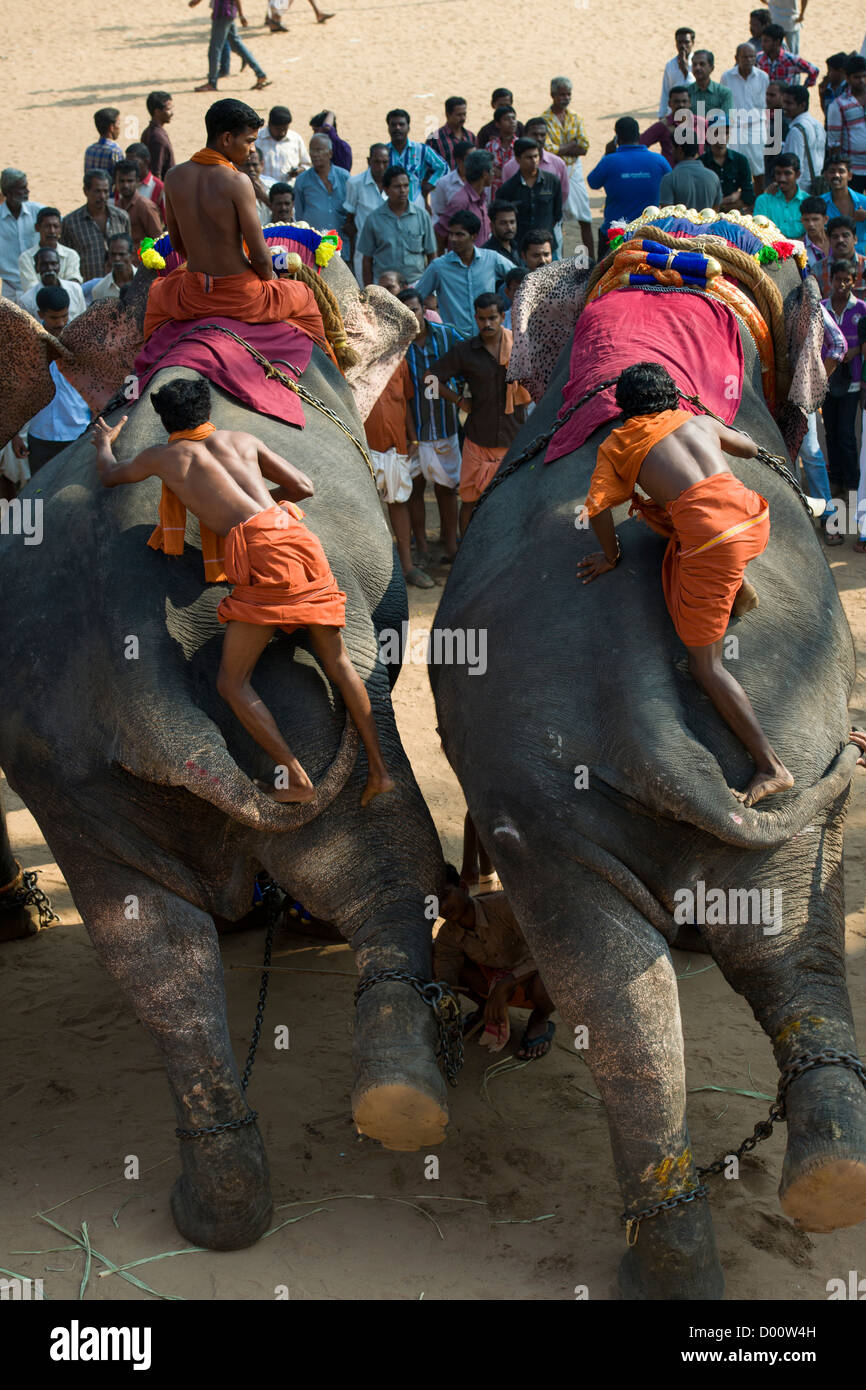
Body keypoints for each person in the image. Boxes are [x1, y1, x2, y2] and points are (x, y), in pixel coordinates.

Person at [92, 379, 393, 807]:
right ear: (206, 410)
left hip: (261, 557)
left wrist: (105, 441)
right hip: (298, 536)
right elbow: (303, 486)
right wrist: (259, 510)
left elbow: (108, 476)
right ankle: (381, 772)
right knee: (340, 663)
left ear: (164, 420)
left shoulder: (165, 456)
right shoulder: (243, 440)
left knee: (232, 683)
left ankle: (295, 778)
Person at [577, 361, 791, 808]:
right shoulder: (696, 419)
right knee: (674, 522)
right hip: (754, 519)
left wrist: (611, 556)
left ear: (624, 407)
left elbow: (597, 509)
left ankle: (771, 767)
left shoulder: (618, 442)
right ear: (671, 395)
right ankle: (734, 584)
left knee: (705, 667)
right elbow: (749, 449)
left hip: (715, 542)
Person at [142, 99, 328, 348]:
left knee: (156, 296)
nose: (252, 150)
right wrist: (271, 279)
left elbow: (177, 244)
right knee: (305, 296)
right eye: (249, 141)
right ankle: (328, 371)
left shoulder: (173, 177)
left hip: (192, 295)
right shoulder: (237, 182)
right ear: (227, 139)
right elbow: (261, 260)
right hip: (242, 296)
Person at [427, 291, 530, 529]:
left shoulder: (519, 346)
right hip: (477, 441)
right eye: (482, 319)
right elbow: (430, 378)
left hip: (513, 439)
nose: (487, 324)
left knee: (511, 503)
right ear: (475, 318)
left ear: (502, 316)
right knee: (470, 502)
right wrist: (459, 401)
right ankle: (465, 558)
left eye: (492, 318)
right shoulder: (465, 351)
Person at [434, 865, 556, 1060]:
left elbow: (548, 950)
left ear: (464, 888)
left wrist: (504, 985)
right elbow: (445, 977)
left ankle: (540, 1019)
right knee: (438, 958)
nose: (442, 907)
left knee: (552, 977)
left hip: (529, 977)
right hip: (492, 981)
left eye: (446, 896)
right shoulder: (447, 936)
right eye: (434, 903)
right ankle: (486, 1008)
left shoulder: (504, 906)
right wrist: (448, 1011)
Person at [397, 287, 464, 564]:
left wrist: (461, 390)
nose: (411, 316)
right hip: (413, 430)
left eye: (414, 309)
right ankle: (422, 548)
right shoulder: (396, 346)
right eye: (405, 312)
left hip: (445, 425)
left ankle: (450, 546)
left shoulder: (447, 335)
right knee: (414, 488)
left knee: (446, 489)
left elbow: (472, 353)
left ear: (424, 310)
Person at [365, 354, 433, 589]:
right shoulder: (350, 360)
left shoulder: (398, 360)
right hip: (362, 448)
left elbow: (404, 402)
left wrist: (413, 440)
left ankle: (407, 567)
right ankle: (373, 575)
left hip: (396, 447)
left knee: (398, 502)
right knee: (366, 511)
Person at [18, 288, 92, 473]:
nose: (60, 323)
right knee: (40, 493)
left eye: (64, 316)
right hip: (41, 434)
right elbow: (19, 392)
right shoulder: (27, 345)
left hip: (78, 432)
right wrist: (17, 436)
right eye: (53, 318)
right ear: (41, 314)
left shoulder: (82, 342)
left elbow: (94, 388)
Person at [414, 210, 512, 338]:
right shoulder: (438, 267)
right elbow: (416, 297)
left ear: (474, 236)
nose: (453, 239)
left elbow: (519, 278)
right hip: (454, 342)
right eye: (451, 234)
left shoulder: (492, 259)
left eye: (460, 234)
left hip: (488, 339)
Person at [798, 301, 846, 544]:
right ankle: (794, 523)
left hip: (801, 392)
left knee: (811, 453)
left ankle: (829, 518)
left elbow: (838, 343)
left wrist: (817, 384)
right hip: (767, 392)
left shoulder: (807, 299)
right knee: (782, 456)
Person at [587, 119, 669, 257]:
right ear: (638, 135)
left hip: (615, 234)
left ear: (617, 137)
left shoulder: (609, 161)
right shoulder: (659, 161)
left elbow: (593, 183)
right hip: (649, 233)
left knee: (603, 273)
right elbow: (670, 182)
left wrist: (607, 154)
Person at [821, 260, 866, 506]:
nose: (841, 284)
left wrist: (854, 349)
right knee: (831, 433)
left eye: (846, 280)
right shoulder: (821, 308)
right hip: (827, 380)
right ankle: (835, 479)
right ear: (831, 281)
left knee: (847, 434)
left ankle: (852, 483)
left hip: (852, 382)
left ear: (854, 281)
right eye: (837, 279)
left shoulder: (862, 309)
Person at [542, 77, 594, 262]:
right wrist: (570, 146)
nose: (565, 98)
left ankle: (591, 261)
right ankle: (559, 262)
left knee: (585, 218)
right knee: (558, 220)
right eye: (562, 94)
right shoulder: (544, 119)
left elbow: (584, 147)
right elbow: (547, 149)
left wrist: (560, 148)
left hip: (574, 171)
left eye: (568, 94)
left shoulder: (575, 117)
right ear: (553, 95)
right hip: (554, 170)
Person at [358, 166, 436, 286]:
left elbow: (432, 254)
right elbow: (367, 260)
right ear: (386, 189)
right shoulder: (374, 219)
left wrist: (430, 287)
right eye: (397, 186)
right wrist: (369, 292)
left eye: (406, 185)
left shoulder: (422, 216)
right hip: (385, 287)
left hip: (416, 284)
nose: (403, 190)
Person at [61, 171, 131, 283]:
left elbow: (128, 250)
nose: (102, 196)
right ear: (86, 191)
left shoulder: (121, 217)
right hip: (87, 289)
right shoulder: (71, 223)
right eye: (97, 191)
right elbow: (65, 259)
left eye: (106, 191)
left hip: (117, 286)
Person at [191, 0, 271, 94]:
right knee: (236, 44)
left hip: (222, 12)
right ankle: (260, 74)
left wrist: (196, 1)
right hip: (229, 11)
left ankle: (212, 82)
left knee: (215, 49)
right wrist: (241, 14)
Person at [291, 133, 349, 255]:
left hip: (342, 245)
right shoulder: (302, 180)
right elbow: (300, 216)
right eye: (311, 150)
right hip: (314, 247)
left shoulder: (344, 177)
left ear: (330, 153)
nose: (314, 154)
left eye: (319, 150)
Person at [721, 43, 769, 189]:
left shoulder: (763, 77)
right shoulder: (727, 77)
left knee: (759, 168)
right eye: (745, 57)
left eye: (752, 57)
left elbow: (766, 105)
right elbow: (724, 104)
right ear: (736, 58)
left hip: (756, 128)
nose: (749, 60)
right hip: (735, 128)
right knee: (734, 167)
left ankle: (759, 201)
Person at [499, 139, 563, 248]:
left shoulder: (552, 182)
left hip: (548, 246)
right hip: (520, 248)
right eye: (529, 157)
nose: (534, 161)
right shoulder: (508, 189)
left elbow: (557, 214)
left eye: (536, 156)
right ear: (518, 159)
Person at [342, 144, 388, 281]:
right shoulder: (355, 183)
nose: (381, 167)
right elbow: (349, 223)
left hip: (388, 250)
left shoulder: (394, 184)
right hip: (363, 250)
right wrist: (350, 257)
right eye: (377, 162)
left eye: (385, 162)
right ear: (369, 161)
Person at [384, 109, 447, 205]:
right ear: (388, 128)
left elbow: (443, 167)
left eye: (401, 124)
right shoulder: (383, 152)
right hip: (389, 207)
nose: (397, 128)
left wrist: (429, 185)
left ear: (408, 128)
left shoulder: (421, 150)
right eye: (393, 125)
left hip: (415, 205)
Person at [0, 169, 43, 300]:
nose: (27, 191)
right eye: (22, 188)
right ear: (8, 192)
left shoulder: (38, 212)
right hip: (10, 290)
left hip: (38, 286)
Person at [18, 207, 82, 293]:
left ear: (61, 229)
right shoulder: (26, 258)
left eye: (56, 227)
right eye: (47, 226)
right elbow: (31, 290)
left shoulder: (71, 255)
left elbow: (73, 285)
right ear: (37, 227)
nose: (52, 231)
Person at [826, 57, 866, 193]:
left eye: (865, 76)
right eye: (857, 77)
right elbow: (834, 143)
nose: (862, 80)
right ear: (847, 78)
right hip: (853, 170)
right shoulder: (838, 105)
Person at [437, 149, 493, 245]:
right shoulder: (461, 201)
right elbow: (440, 233)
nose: (494, 174)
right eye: (492, 170)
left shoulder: (481, 198)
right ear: (485, 173)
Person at [18, 249, 87, 320]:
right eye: (44, 264)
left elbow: (83, 320)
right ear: (36, 268)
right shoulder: (27, 300)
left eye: (53, 264)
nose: (49, 268)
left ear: (59, 266)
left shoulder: (75, 289)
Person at [700, 122, 755, 210]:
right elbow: (699, 198)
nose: (722, 137)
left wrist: (720, 204)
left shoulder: (741, 160)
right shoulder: (701, 162)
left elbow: (748, 196)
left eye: (726, 133)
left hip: (734, 216)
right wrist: (729, 199)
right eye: (717, 133)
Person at [781, 84, 825, 191]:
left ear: (802, 105)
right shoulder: (817, 124)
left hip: (801, 189)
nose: (784, 107)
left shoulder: (796, 130)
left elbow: (793, 165)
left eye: (789, 103)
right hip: (816, 184)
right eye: (784, 102)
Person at [660, 135, 723, 210]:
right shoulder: (713, 177)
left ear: (679, 150)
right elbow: (715, 211)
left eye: (673, 148)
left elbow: (667, 215)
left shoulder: (669, 179)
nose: (671, 151)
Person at [111, 159, 164, 246]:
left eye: (130, 181)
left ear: (137, 181)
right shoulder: (117, 206)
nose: (125, 185)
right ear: (115, 182)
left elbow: (158, 240)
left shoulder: (145, 207)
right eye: (121, 181)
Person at [753, 151, 807, 237]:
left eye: (787, 173)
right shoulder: (763, 200)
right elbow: (759, 232)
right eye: (778, 173)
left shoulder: (807, 201)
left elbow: (810, 235)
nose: (782, 178)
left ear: (797, 175)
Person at [641, 85, 696, 167]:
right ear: (669, 103)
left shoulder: (700, 123)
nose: (681, 105)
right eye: (676, 102)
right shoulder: (662, 126)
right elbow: (640, 143)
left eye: (684, 101)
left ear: (690, 103)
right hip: (671, 175)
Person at [823, 157, 866, 253]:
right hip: (830, 258)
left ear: (849, 175)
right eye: (832, 171)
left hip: (861, 259)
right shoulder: (820, 203)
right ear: (825, 175)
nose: (836, 175)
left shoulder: (863, 202)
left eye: (841, 171)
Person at [257, 105, 310, 182]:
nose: (282, 133)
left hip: (289, 191)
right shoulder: (257, 139)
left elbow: (307, 165)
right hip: (263, 190)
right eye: (278, 129)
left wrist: (299, 171)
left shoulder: (296, 139)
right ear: (269, 124)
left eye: (285, 129)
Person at [814, 218, 866, 295]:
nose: (840, 240)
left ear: (855, 239)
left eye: (845, 235)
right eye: (835, 237)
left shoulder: (865, 265)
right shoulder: (817, 270)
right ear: (829, 240)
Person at [427, 97, 475, 168]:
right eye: (459, 115)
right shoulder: (434, 138)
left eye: (464, 114)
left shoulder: (471, 136)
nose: (463, 118)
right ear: (448, 115)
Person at [659, 26, 697, 117]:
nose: (682, 46)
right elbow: (666, 90)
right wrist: (662, 114)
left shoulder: (698, 63)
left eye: (686, 42)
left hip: (693, 113)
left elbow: (697, 87)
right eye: (679, 42)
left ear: (693, 43)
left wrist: (685, 71)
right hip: (673, 114)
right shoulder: (670, 65)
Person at [689, 50, 733, 127]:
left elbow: (725, 122)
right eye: (694, 64)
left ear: (711, 68)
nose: (697, 67)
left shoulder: (724, 93)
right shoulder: (685, 92)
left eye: (702, 64)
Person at [484, 105, 519, 194]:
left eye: (513, 118)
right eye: (507, 119)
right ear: (497, 124)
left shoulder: (521, 146)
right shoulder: (490, 146)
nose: (512, 122)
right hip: (494, 193)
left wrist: (501, 172)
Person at [91, 233, 137, 301]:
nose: (117, 258)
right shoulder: (99, 289)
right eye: (113, 254)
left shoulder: (146, 282)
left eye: (122, 254)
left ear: (132, 255)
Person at [126, 143, 166, 219]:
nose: (130, 167)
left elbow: (167, 221)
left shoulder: (158, 187)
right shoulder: (122, 185)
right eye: (128, 162)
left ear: (146, 162)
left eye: (134, 163)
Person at [142, 92, 175, 181]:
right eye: (168, 109)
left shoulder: (148, 131)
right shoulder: (158, 138)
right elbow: (156, 173)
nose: (172, 113)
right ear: (157, 112)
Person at [764, 79, 791, 186]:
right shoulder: (767, 115)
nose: (768, 98)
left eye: (772, 95)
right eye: (767, 95)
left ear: (783, 96)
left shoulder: (786, 121)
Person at [83, 107, 124, 177]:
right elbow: (120, 176)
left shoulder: (89, 150)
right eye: (118, 124)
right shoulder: (115, 151)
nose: (119, 127)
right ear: (111, 127)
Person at [483, 200, 522, 265]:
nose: (509, 227)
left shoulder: (517, 248)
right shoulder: (486, 254)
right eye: (503, 223)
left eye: (512, 222)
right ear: (492, 225)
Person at [242, 146, 273, 223]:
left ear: (262, 165)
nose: (251, 169)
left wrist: (264, 197)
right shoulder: (234, 190)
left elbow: (289, 213)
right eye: (247, 165)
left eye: (254, 165)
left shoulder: (273, 186)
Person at [800, 194, 830, 274]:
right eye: (806, 220)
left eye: (815, 219)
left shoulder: (837, 240)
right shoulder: (800, 249)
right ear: (801, 220)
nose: (811, 224)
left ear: (825, 219)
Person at [819, 53, 851, 119]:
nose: (827, 73)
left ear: (840, 71)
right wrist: (821, 96)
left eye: (830, 70)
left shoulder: (849, 88)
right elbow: (826, 112)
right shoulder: (827, 88)